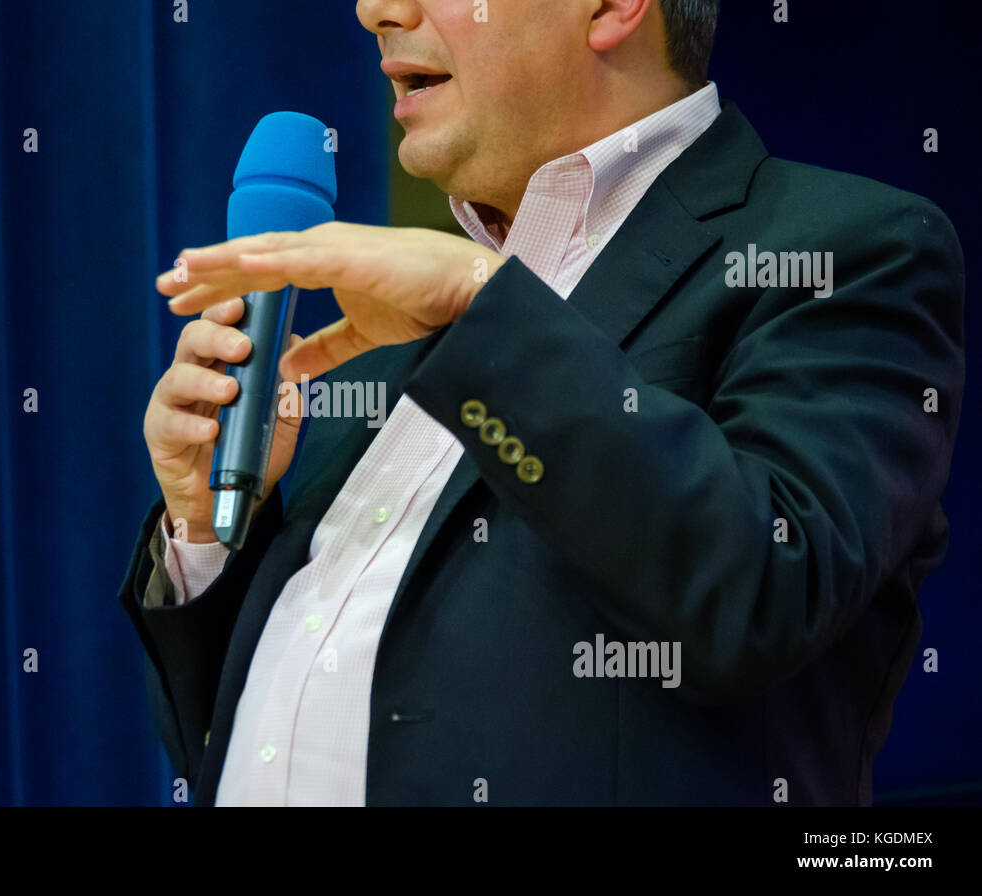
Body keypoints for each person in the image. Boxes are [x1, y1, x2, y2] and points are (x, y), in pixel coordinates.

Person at [120, 0, 965, 805]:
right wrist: (206, 535)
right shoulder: (384, 332)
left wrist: (481, 306)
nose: (374, 10)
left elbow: (758, 595)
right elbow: (239, 747)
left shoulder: (841, 251)